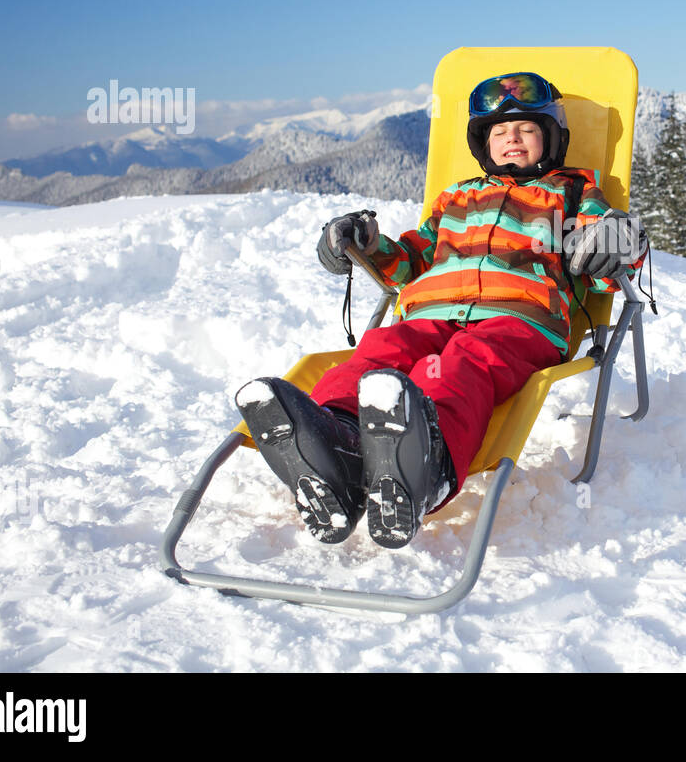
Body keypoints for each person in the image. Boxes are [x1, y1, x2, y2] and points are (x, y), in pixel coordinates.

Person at [235, 72, 648, 550]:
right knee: (381, 353)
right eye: (498, 131)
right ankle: (333, 444)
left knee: (463, 364)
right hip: (430, 311)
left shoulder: (571, 194)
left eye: (526, 129)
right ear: (482, 144)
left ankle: (427, 467)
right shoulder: (457, 198)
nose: (511, 137)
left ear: (553, 138)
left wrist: (613, 241)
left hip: (518, 318)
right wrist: (364, 244)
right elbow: (407, 260)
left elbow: (606, 260)